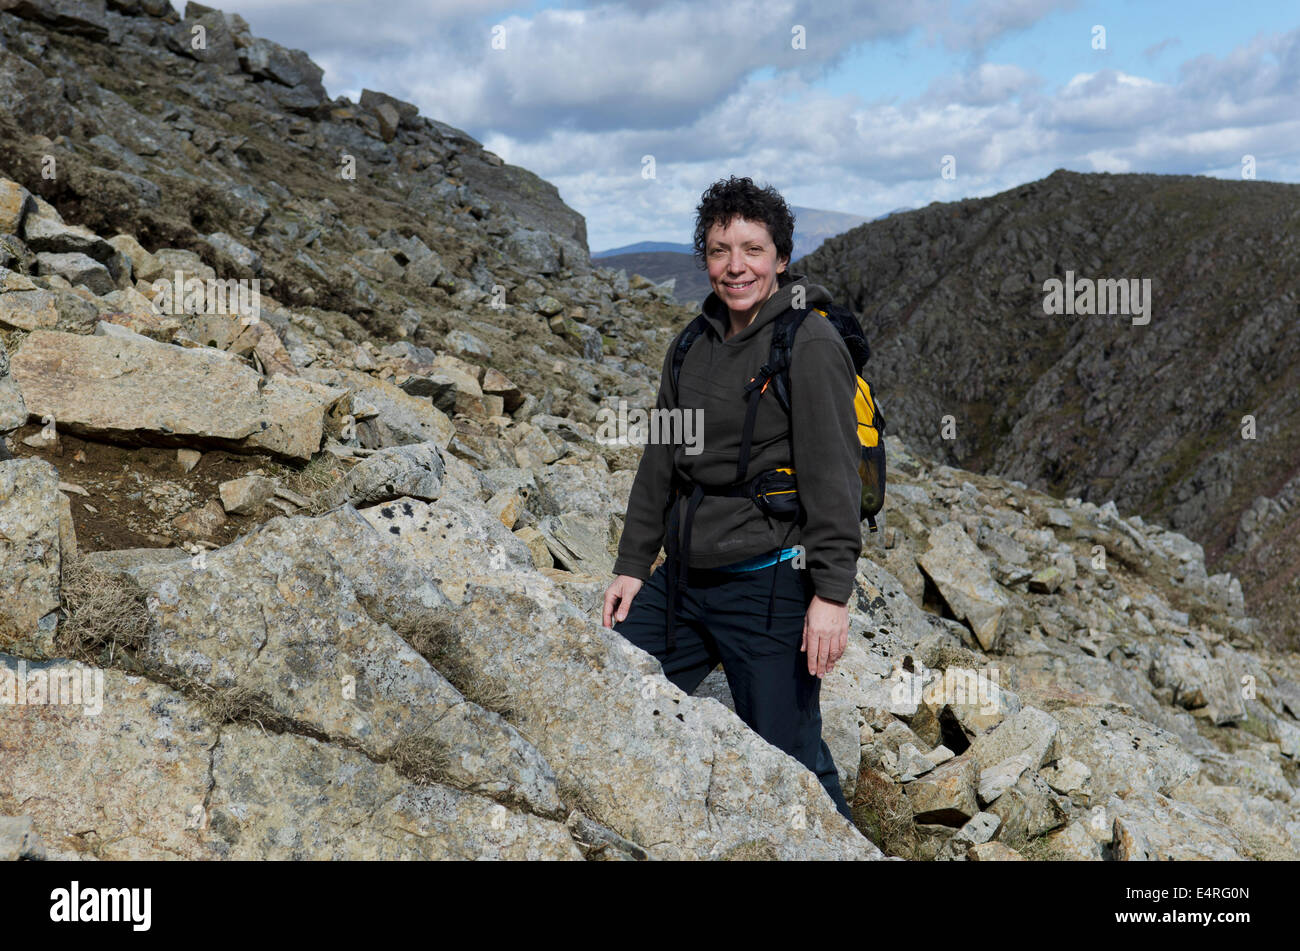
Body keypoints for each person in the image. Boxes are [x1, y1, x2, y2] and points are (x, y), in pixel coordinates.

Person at [602, 175, 863, 822]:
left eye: (752, 248)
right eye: (720, 249)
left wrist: (830, 596)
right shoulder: (690, 344)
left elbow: (835, 480)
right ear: (705, 257)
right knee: (605, 683)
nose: (735, 265)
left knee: (791, 762)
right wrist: (634, 565)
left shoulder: (808, 345)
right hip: (684, 583)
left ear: (780, 257)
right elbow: (660, 459)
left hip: (769, 586)